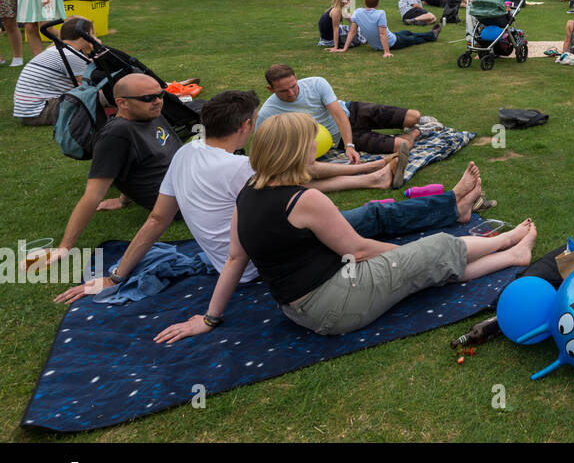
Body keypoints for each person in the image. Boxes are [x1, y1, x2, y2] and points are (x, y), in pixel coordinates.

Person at [53, 92, 484, 304]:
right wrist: (363, 172)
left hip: (244, 256)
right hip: (264, 262)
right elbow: (306, 183)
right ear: (245, 126)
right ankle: (452, 209)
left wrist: (116, 275)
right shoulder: (242, 169)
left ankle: (446, 203)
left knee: (365, 212)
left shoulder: (186, 154)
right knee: (371, 218)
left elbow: (154, 222)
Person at [151, 113, 537, 340]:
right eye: (309, 144)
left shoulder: (249, 190)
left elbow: (235, 258)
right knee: (435, 248)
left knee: (431, 262)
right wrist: (413, 256)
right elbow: (362, 250)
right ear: (293, 152)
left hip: (296, 309)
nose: (315, 150)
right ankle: (507, 241)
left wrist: (208, 318)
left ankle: (512, 253)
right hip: (334, 306)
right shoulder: (304, 200)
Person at [43, 73, 185, 262]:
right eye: (148, 98)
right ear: (122, 103)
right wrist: (64, 247)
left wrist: (123, 200)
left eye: (160, 95)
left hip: (192, 179)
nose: (157, 101)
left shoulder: (150, 114)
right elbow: (93, 194)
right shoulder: (116, 136)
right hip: (182, 201)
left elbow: (140, 164)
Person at [257, 64, 430, 174]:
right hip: (335, 138)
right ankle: (416, 132)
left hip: (350, 112)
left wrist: (350, 146)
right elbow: (264, 147)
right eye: (284, 91)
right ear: (270, 89)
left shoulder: (316, 83)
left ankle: (413, 125)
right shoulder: (267, 113)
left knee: (414, 116)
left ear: (296, 78)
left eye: (294, 86)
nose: (292, 93)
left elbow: (338, 114)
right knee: (401, 146)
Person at [12, 16, 96, 125]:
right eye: (92, 34)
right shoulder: (71, 55)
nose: (94, 37)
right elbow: (93, 82)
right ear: (85, 36)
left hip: (29, 113)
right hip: (40, 113)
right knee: (98, 94)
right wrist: (95, 47)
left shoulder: (56, 50)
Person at [338, 0, 438, 56]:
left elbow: (352, 32)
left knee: (406, 32)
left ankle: (430, 34)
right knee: (413, 39)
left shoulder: (357, 12)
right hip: (392, 43)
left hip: (384, 41)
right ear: (377, 4)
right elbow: (382, 34)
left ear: (364, 2)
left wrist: (344, 49)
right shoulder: (380, 13)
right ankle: (432, 35)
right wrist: (387, 52)